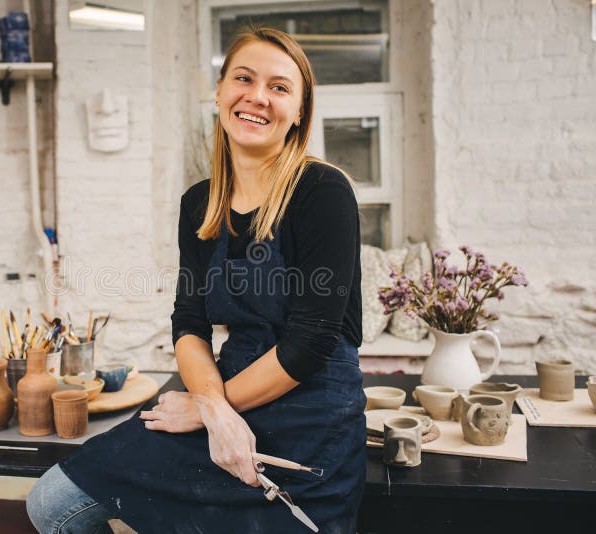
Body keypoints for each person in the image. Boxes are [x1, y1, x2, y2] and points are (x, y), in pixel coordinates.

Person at [26, 26, 364, 534]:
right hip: (227, 391)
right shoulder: (199, 204)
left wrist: (209, 408)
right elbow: (189, 323)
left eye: (279, 87)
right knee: (52, 504)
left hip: (311, 417)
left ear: (299, 112)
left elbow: (311, 342)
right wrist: (213, 408)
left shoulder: (323, 190)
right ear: (221, 91)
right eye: (244, 78)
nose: (257, 97)